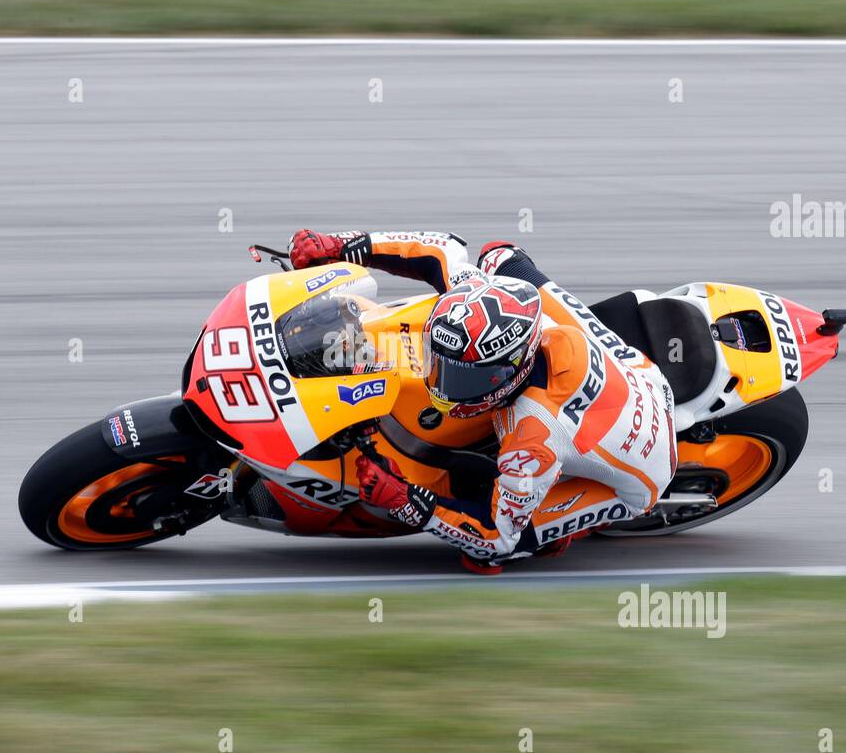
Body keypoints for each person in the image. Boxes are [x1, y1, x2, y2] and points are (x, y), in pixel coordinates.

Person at [288, 229, 678, 573]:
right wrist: (345, 245)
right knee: (499, 255)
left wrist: (409, 502)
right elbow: (440, 247)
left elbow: (495, 537)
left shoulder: (532, 440)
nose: (441, 384)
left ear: (508, 371)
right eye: (440, 363)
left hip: (647, 466)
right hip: (627, 367)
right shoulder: (488, 298)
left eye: (461, 376)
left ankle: (563, 531)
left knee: (490, 556)